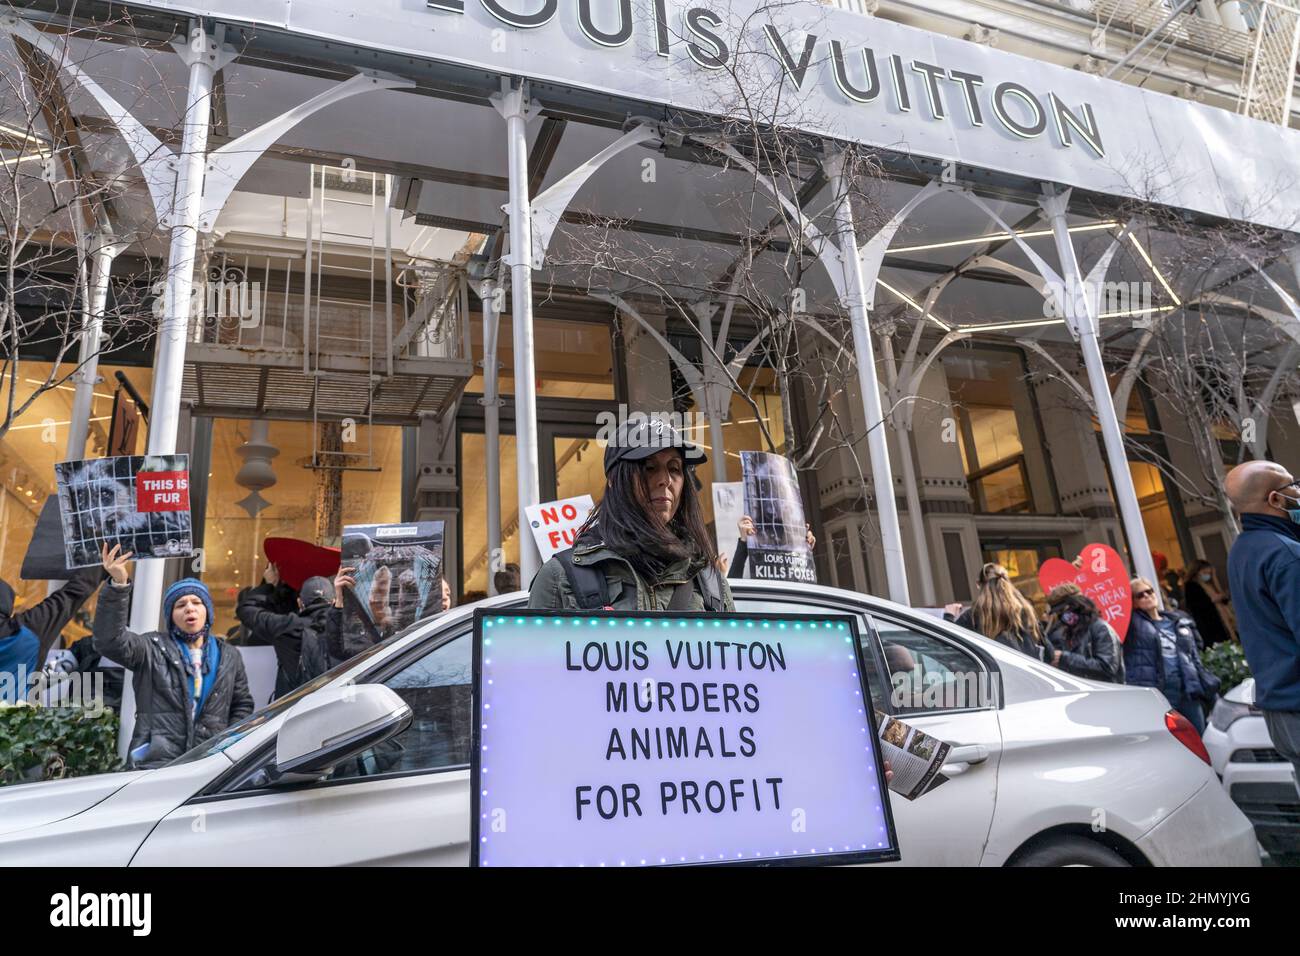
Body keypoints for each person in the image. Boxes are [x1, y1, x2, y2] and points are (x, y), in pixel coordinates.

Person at [529, 419, 732, 611]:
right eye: (649, 467)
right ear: (613, 480)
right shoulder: (559, 578)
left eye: (674, 468)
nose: (665, 479)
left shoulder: (711, 582)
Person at [94, 544, 253, 767]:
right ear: (171, 616)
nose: (190, 608)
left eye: (197, 602)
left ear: (207, 611)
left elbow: (242, 705)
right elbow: (108, 641)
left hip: (210, 765)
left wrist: (228, 745)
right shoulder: (151, 647)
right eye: (180, 604)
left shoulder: (229, 655)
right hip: (155, 764)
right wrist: (118, 585)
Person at [1225, 459, 1300, 795]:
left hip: (1280, 713)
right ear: (1275, 500)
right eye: (1293, 486)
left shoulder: (1243, 551)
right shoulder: (1287, 555)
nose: (1298, 492)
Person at [1123, 577, 1219, 734]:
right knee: (1171, 740)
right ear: (1132, 602)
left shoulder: (1178, 620)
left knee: (1199, 737)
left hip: (1187, 688)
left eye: (1149, 591)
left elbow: (1194, 653)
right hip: (1160, 692)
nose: (1147, 596)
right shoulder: (1133, 625)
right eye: (1140, 595)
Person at [0, 566, 105, 703]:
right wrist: (103, 562)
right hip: (12, 720)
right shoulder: (24, 634)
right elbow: (73, 594)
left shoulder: (24, 633)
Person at [237, 564, 335, 696]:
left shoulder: (288, 626)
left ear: (300, 603)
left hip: (293, 710)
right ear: (334, 601)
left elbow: (246, 610)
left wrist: (269, 584)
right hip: (336, 708)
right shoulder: (346, 628)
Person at [943, 563, 1050, 662]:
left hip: (997, 678)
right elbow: (1049, 653)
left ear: (978, 585)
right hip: (1030, 677)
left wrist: (949, 616)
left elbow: (949, 650)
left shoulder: (973, 616)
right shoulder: (1025, 611)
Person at [1042, 583, 1124, 683]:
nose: (1061, 616)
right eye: (1058, 613)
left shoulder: (1101, 628)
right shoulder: (1069, 632)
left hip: (1107, 695)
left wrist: (1064, 658)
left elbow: (1107, 667)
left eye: (1063, 611)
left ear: (1076, 605)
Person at [727, 515, 816, 580]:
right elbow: (731, 592)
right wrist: (744, 541)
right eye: (771, 535)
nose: (774, 539)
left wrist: (805, 550)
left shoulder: (793, 565)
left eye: (778, 536)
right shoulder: (756, 567)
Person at [1182, 558, 1236, 648]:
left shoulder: (1209, 584)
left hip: (1222, 624)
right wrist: (1214, 599)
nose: (1208, 575)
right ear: (1197, 572)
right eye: (1205, 573)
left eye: (1209, 573)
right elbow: (1197, 605)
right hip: (1209, 626)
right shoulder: (1191, 586)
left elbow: (1223, 599)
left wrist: (1215, 579)